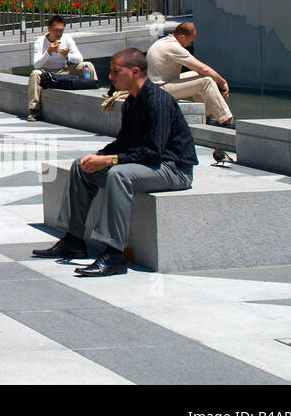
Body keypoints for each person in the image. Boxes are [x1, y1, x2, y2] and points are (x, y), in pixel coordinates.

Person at [33, 47, 197, 277]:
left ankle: (114, 255)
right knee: (82, 167)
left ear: (135, 71)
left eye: (115, 71)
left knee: (118, 175)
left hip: (173, 169)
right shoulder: (132, 102)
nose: (110, 77)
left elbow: (153, 153)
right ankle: (73, 240)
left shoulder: (158, 102)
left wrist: (111, 161)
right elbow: (123, 143)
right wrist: (98, 157)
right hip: (152, 165)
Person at [147, 21, 235, 128]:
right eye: (190, 41)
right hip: (162, 89)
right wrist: (222, 82)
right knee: (206, 81)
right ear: (183, 37)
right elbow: (203, 68)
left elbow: (199, 71)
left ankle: (208, 116)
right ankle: (227, 120)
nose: (190, 45)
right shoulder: (173, 47)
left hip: (158, 86)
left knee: (196, 74)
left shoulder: (163, 42)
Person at [26, 15, 97, 122]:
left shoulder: (67, 39)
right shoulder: (40, 42)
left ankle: (93, 89)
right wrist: (48, 52)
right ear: (49, 29)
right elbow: (37, 65)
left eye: (61, 31)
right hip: (46, 72)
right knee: (35, 73)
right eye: (56, 31)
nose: (59, 34)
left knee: (87, 65)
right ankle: (34, 110)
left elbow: (80, 58)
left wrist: (67, 56)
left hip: (63, 71)